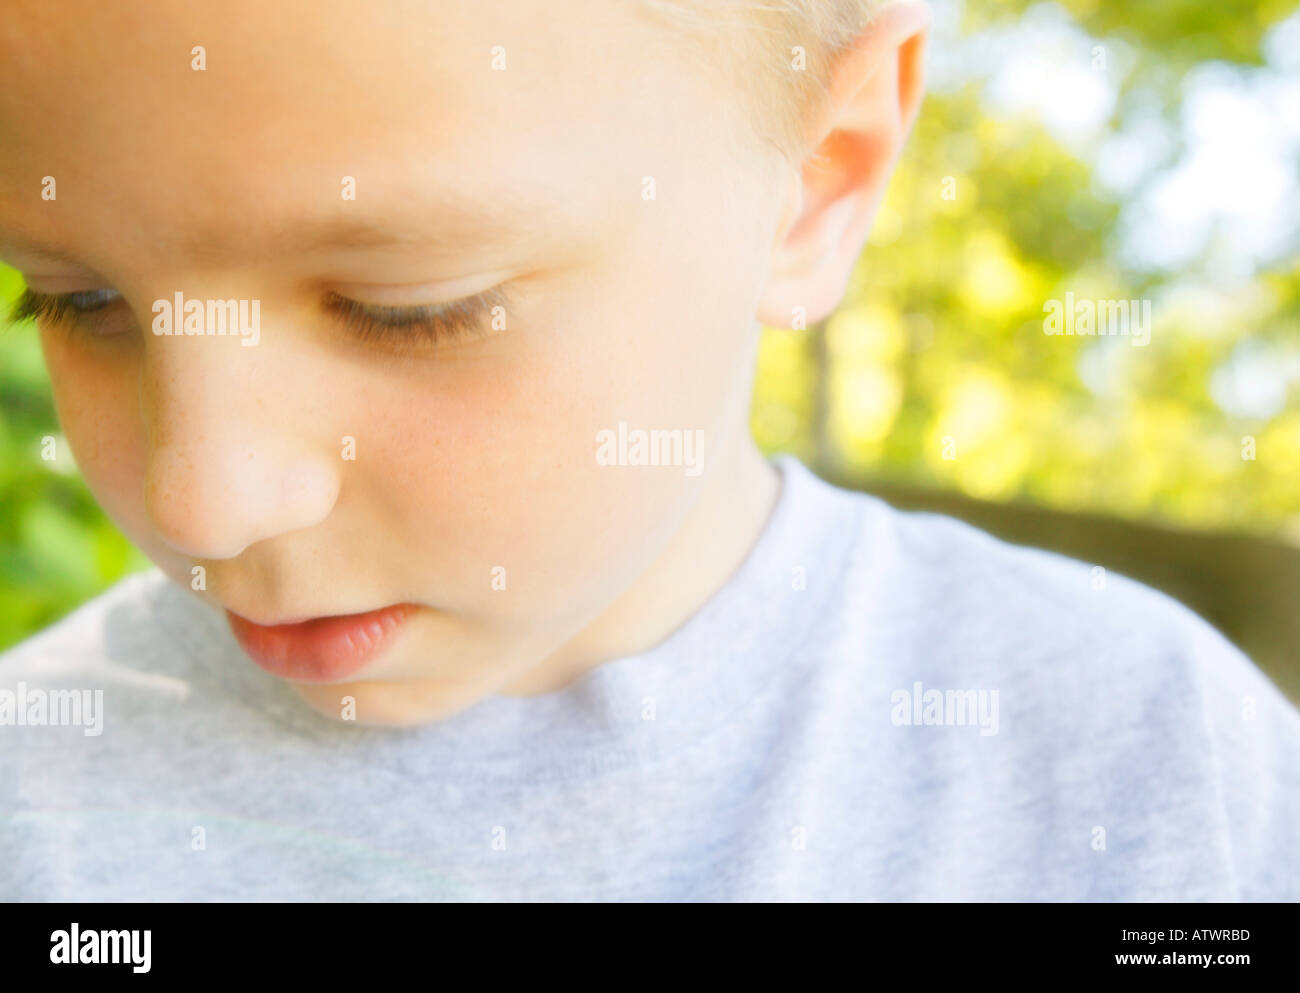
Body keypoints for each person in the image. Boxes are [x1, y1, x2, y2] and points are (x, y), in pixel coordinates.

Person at [0, 0, 1295, 900]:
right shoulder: (32, 807)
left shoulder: (1149, 753)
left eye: (414, 305)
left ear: (820, 181)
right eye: (75, 298)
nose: (203, 501)